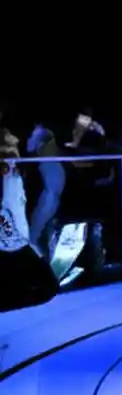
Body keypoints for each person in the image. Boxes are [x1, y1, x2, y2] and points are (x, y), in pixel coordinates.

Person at [0, 128, 58, 312]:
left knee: (45, 286)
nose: (16, 137)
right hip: (11, 242)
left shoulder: (13, 165)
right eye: (10, 135)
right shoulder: (6, 164)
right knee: (48, 286)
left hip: (17, 241)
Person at [25, 123, 64, 258]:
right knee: (36, 236)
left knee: (34, 237)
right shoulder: (50, 163)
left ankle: (43, 263)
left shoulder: (50, 160)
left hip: (51, 198)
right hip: (50, 197)